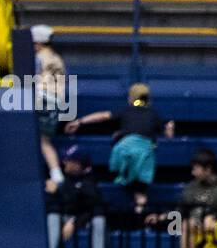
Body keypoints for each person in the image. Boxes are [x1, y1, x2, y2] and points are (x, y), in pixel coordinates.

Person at [64, 82, 173, 216]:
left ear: (131, 98)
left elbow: (103, 116)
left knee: (128, 169)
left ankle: (124, 178)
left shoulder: (126, 110)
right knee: (140, 190)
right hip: (143, 153)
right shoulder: (154, 114)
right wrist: (169, 129)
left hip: (125, 150)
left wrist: (79, 121)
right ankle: (139, 209)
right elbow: (168, 135)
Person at [46, 145, 106, 248]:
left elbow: (94, 207)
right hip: (63, 218)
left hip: (83, 220)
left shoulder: (90, 180)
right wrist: (52, 192)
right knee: (53, 216)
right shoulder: (62, 178)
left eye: (70, 160)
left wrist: (74, 223)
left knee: (99, 220)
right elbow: (54, 205)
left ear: (79, 164)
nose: (65, 162)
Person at [32, 24, 68, 192]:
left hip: (41, 99)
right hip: (56, 102)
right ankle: (56, 173)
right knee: (44, 141)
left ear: (38, 43)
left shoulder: (38, 58)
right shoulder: (57, 58)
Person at [177, 148, 217, 248]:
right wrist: (161, 217)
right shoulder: (191, 187)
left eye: (196, 169)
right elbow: (181, 209)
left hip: (215, 227)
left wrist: (214, 216)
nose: (192, 173)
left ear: (208, 169)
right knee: (186, 223)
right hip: (191, 225)